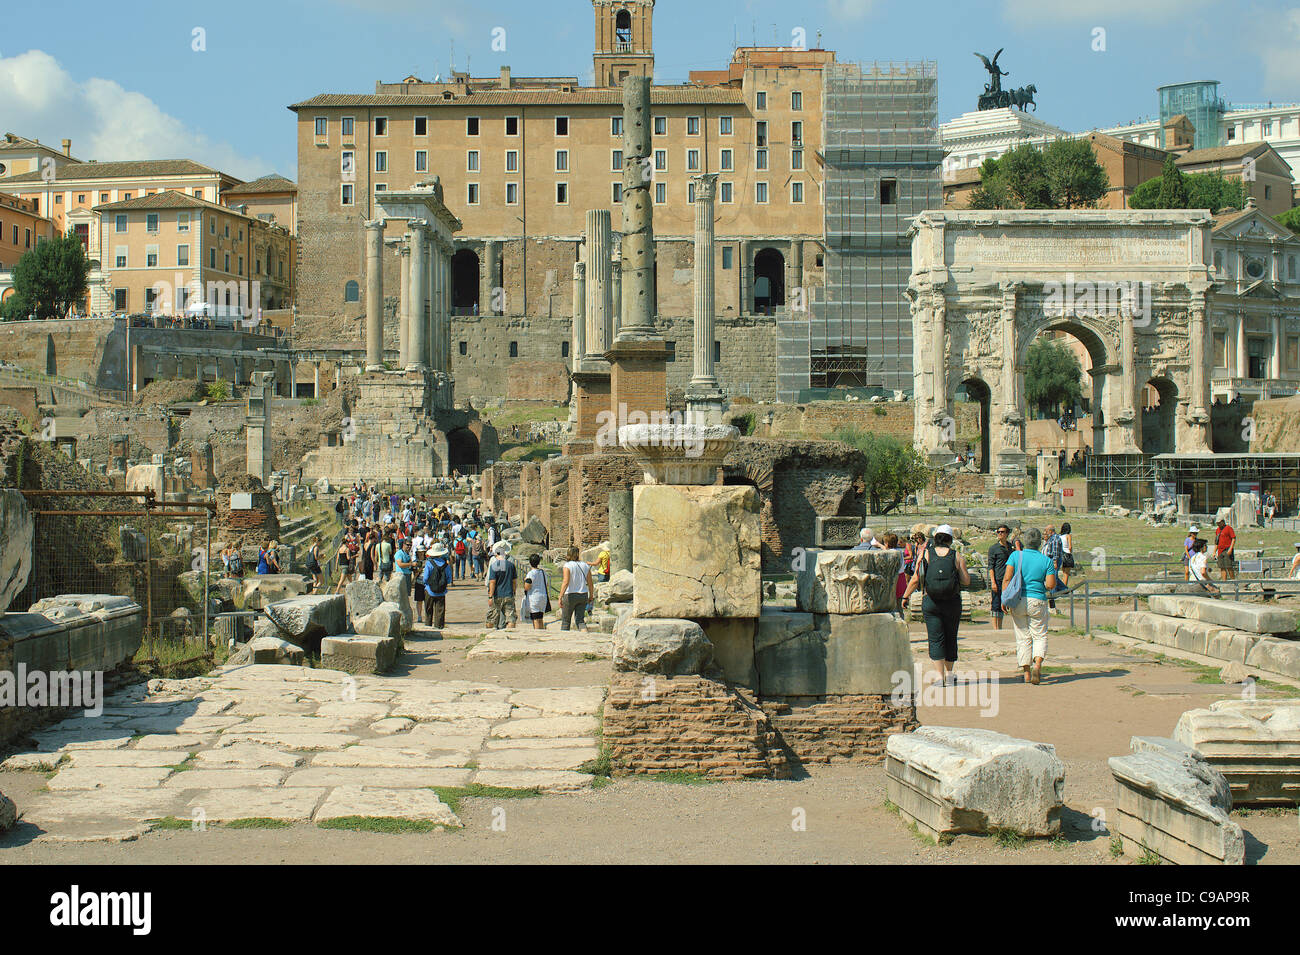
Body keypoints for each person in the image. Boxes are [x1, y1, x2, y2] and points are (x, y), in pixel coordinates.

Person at [901, 525, 970, 687]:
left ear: (935, 537)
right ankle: (950, 674)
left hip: (930, 601)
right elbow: (966, 581)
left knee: (935, 637)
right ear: (950, 539)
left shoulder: (925, 554)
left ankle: (939, 677)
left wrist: (905, 596)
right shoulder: (956, 556)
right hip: (952, 602)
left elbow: (916, 578)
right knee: (951, 636)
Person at [1002, 527, 1058, 685]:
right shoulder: (1046, 560)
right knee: (1039, 635)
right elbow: (1050, 584)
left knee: (1023, 637)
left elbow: (1007, 579)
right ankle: (1038, 663)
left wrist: (1003, 599)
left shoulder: (1015, 556)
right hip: (1038, 600)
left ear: (1025, 541)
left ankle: (1026, 673)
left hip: (1018, 600)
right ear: (1040, 542)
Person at [485, 541, 518, 630]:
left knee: (491, 618)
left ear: (496, 554)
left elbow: (492, 582)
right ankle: (510, 635)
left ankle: (489, 634)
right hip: (509, 594)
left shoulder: (494, 565)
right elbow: (514, 581)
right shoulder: (511, 565)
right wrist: (514, 592)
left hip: (497, 595)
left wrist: (490, 596)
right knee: (510, 618)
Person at [987, 524, 1013, 631]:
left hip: (1008, 580)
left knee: (1004, 602)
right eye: (998, 532)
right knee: (996, 603)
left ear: (1007, 533)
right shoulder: (993, 548)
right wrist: (992, 581)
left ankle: (1000, 627)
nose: (1000, 534)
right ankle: (995, 628)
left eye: (1002, 532)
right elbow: (990, 566)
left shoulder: (1011, 547)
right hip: (998, 579)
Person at [560, 546, 592, 632]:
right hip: (583, 594)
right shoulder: (585, 565)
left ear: (568, 555)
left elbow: (566, 582)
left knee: (566, 621)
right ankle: (585, 635)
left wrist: (560, 596)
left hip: (570, 595)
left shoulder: (567, 565)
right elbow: (590, 583)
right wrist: (591, 595)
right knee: (580, 620)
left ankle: (563, 640)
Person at [421, 542, 451, 629]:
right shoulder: (446, 565)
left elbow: (425, 578)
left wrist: (427, 584)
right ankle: (439, 627)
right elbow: (448, 579)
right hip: (441, 591)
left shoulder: (429, 563)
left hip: (429, 590)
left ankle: (428, 626)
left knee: (428, 610)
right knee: (440, 611)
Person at [523, 553, 550, 630]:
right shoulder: (543, 572)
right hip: (543, 597)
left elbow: (527, 587)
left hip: (534, 598)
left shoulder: (530, 574)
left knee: (535, 619)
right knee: (540, 618)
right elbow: (547, 584)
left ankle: (537, 634)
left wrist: (524, 582)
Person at [1057, 522, 1075, 588]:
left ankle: (1061, 587)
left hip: (1061, 554)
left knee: (1063, 572)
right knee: (1066, 573)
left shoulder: (1059, 536)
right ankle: (1064, 588)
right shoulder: (1068, 536)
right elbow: (1070, 547)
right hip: (1067, 554)